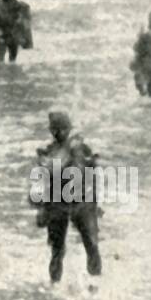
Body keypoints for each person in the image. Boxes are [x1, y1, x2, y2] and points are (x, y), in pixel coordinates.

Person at [29, 109, 102, 284]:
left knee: (91, 245)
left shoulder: (80, 149)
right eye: (56, 129)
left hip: (82, 201)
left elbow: (93, 174)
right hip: (58, 203)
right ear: (52, 131)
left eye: (62, 128)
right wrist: (41, 209)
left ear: (68, 129)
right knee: (57, 250)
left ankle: (96, 284)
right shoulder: (48, 153)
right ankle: (55, 285)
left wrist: (95, 202)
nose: (59, 132)